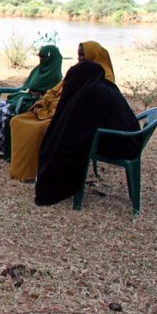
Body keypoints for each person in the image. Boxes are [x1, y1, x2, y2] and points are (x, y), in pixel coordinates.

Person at [35, 60, 141, 206]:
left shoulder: (92, 93)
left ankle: (61, 187)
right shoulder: (105, 85)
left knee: (70, 146)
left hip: (123, 145)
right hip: (132, 140)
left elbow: (74, 130)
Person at [9, 41, 114, 181]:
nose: (80, 59)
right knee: (17, 120)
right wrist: (43, 102)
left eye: (83, 56)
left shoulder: (104, 77)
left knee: (39, 129)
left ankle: (39, 172)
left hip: (73, 118)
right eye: (78, 56)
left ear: (93, 56)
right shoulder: (76, 70)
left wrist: (56, 111)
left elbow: (82, 103)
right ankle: (25, 170)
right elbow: (54, 90)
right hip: (55, 110)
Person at [0, 45, 63, 157]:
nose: (41, 60)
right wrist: (23, 92)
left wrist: (33, 95)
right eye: (40, 57)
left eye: (43, 57)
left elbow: (46, 97)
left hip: (29, 104)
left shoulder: (55, 75)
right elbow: (28, 86)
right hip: (21, 98)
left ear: (51, 58)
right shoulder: (38, 69)